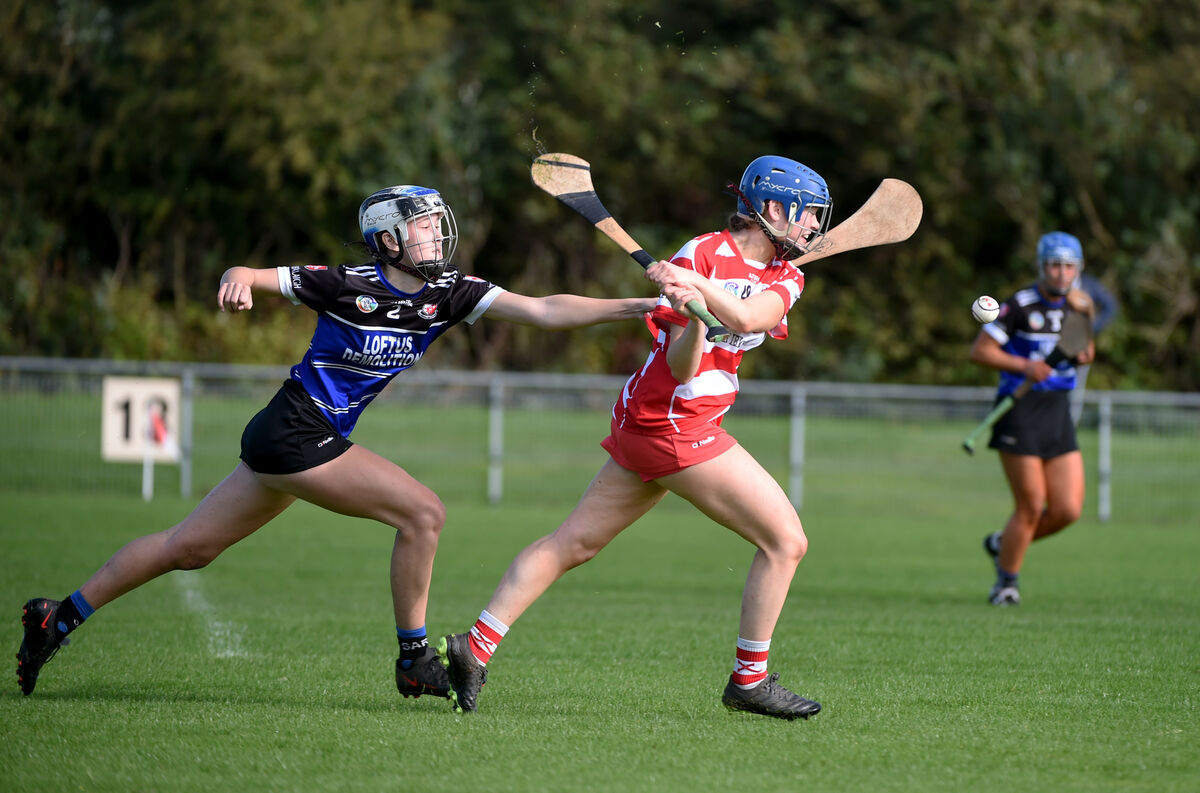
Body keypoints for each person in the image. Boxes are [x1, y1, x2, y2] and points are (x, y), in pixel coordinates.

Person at [15, 184, 657, 698]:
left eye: (438, 222)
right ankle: (414, 662)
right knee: (423, 513)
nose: (437, 233)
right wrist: (237, 279)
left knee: (188, 548)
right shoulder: (344, 284)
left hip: (290, 439)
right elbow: (251, 271)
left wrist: (636, 306)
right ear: (388, 238)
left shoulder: (448, 295)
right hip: (296, 432)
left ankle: (56, 616)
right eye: (423, 224)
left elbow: (545, 310)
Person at [438, 156, 833, 720]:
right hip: (673, 422)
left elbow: (749, 320)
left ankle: (473, 649)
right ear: (771, 209)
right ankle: (749, 681)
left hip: (665, 422)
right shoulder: (699, 253)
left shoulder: (785, 277)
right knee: (786, 541)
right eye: (807, 215)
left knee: (573, 544)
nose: (813, 229)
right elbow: (681, 368)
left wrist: (699, 292)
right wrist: (692, 313)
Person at [969, 231, 1096, 606]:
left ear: (1078, 269)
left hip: (1058, 411)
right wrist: (1025, 365)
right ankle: (1006, 584)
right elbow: (981, 351)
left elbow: (1085, 349)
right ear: (1042, 266)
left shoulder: (1081, 306)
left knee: (1067, 509)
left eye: (1068, 266)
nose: (1061, 273)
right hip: (1020, 410)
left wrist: (1084, 352)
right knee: (1030, 505)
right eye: (1054, 265)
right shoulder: (1020, 305)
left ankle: (1001, 544)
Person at [1069, 269, 1119, 424]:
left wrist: (1092, 328)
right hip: (1049, 346)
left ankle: (1069, 429)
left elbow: (1111, 306)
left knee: (1074, 393)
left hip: (1078, 346)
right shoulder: (1046, 285)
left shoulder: (1089, 284)